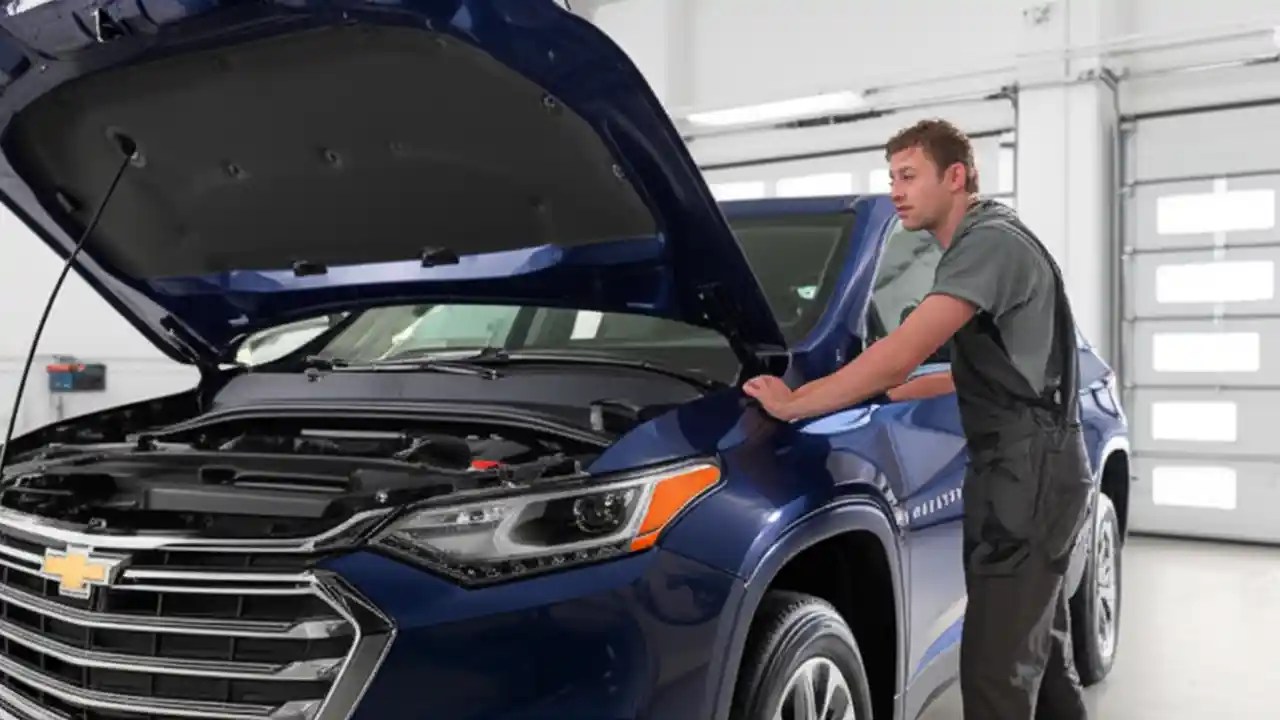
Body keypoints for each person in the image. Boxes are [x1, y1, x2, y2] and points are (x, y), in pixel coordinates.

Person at [743, 118, 1093, 720]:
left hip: (1028, 475)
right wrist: (900, 391)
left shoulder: (987, 243)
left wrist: (797, 402)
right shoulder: (989, 240)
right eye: (891, 177)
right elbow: (983, 369)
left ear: (955, 177)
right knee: (1044, 659)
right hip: (1028, 469)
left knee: (994, 677)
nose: (896, 190)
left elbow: (900, 347)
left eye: (908, 176)